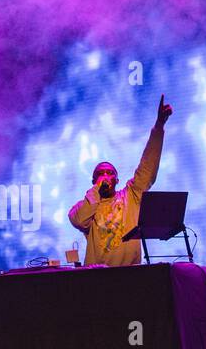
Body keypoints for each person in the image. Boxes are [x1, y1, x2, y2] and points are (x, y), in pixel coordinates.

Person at [68, 94, 172, 267]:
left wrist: (159, 127)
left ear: (117, 179)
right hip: (97, 278)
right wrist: (96, 191)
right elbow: (78, 220)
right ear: (94, 180)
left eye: (110, 172)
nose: (105, 175)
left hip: (130, 275)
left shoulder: (131, 195)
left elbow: (147, 167)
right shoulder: (87, 206)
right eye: (100, 173)